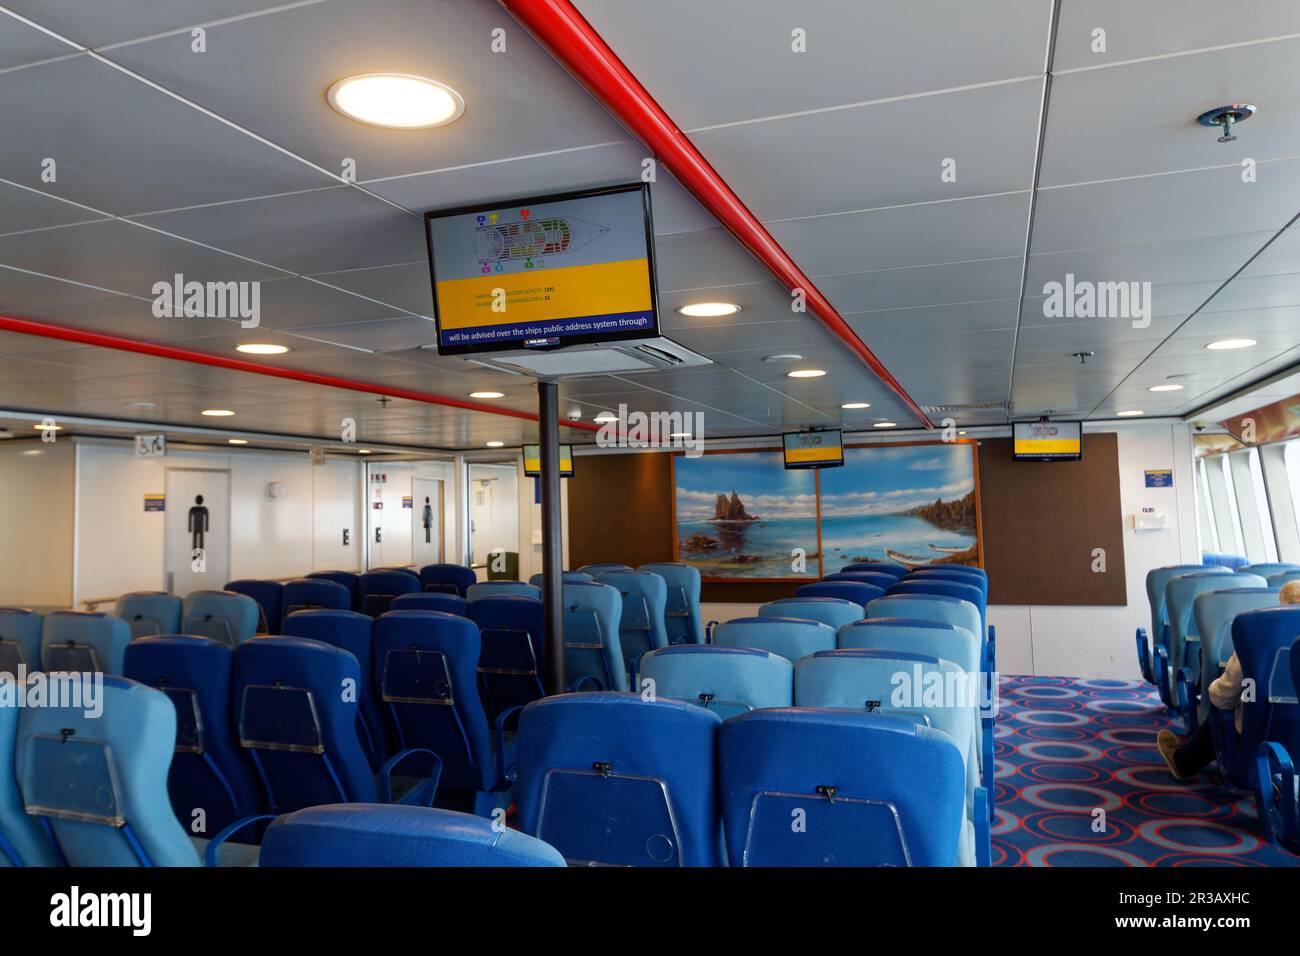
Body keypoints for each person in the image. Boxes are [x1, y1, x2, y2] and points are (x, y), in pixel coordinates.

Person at [1157, 578, 1300, 779]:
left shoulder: (1255, 639)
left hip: (1261, 737)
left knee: (1225, 709)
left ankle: (1182, 762)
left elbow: (1222, 696)